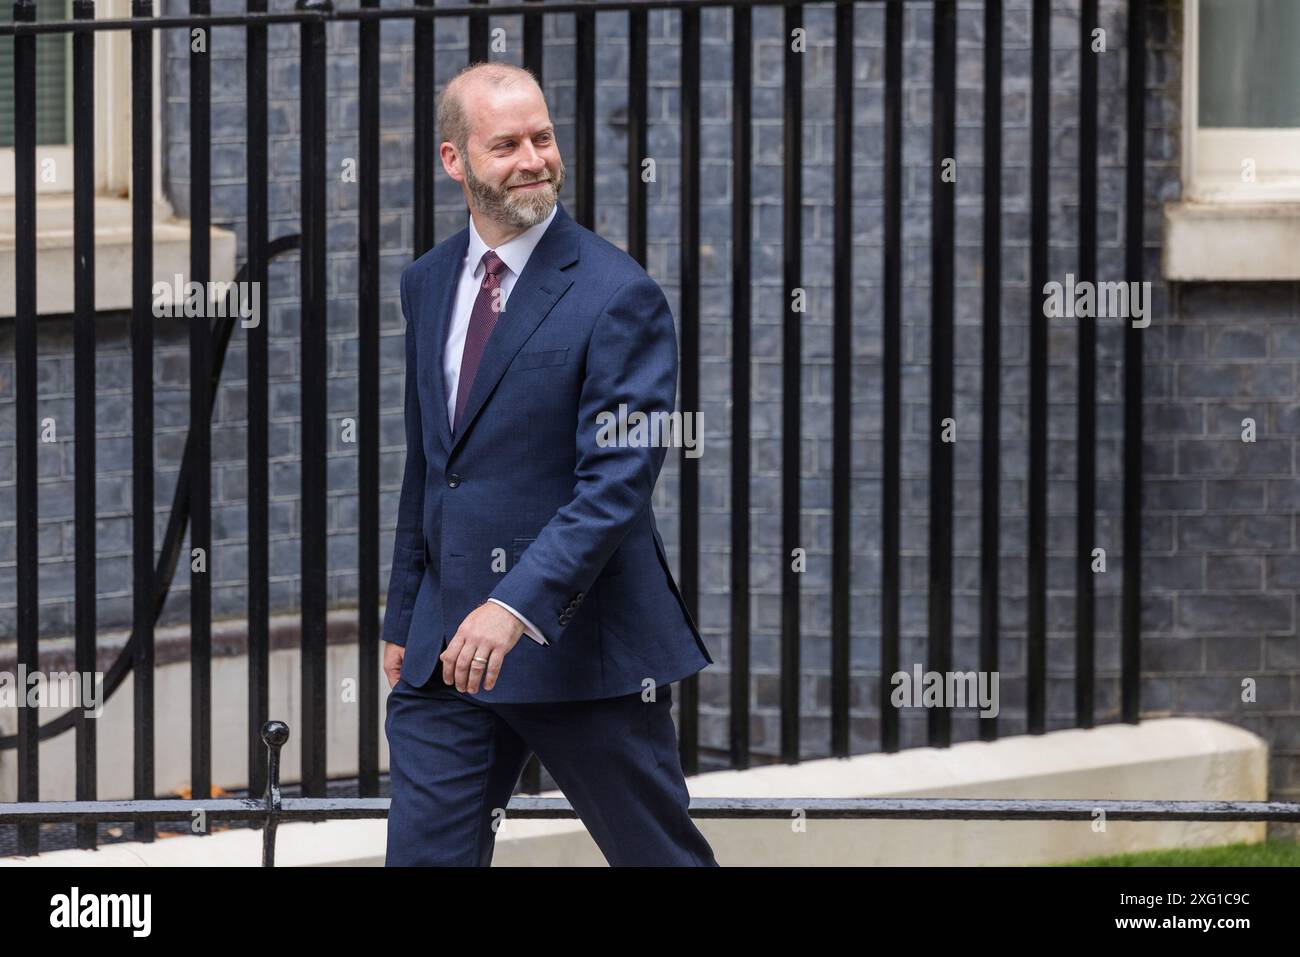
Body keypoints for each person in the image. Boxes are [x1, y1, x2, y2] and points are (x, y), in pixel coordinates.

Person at [381, 61, 718, 867]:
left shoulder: (616, 293)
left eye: (543, 137)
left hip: (581, 651)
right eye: (506, 144)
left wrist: (515, 605)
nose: (534, 159)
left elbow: (617, 484)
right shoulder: (428, 283)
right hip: (447, 657)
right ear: (454, 160)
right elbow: (431, 464)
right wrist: (404, 615)